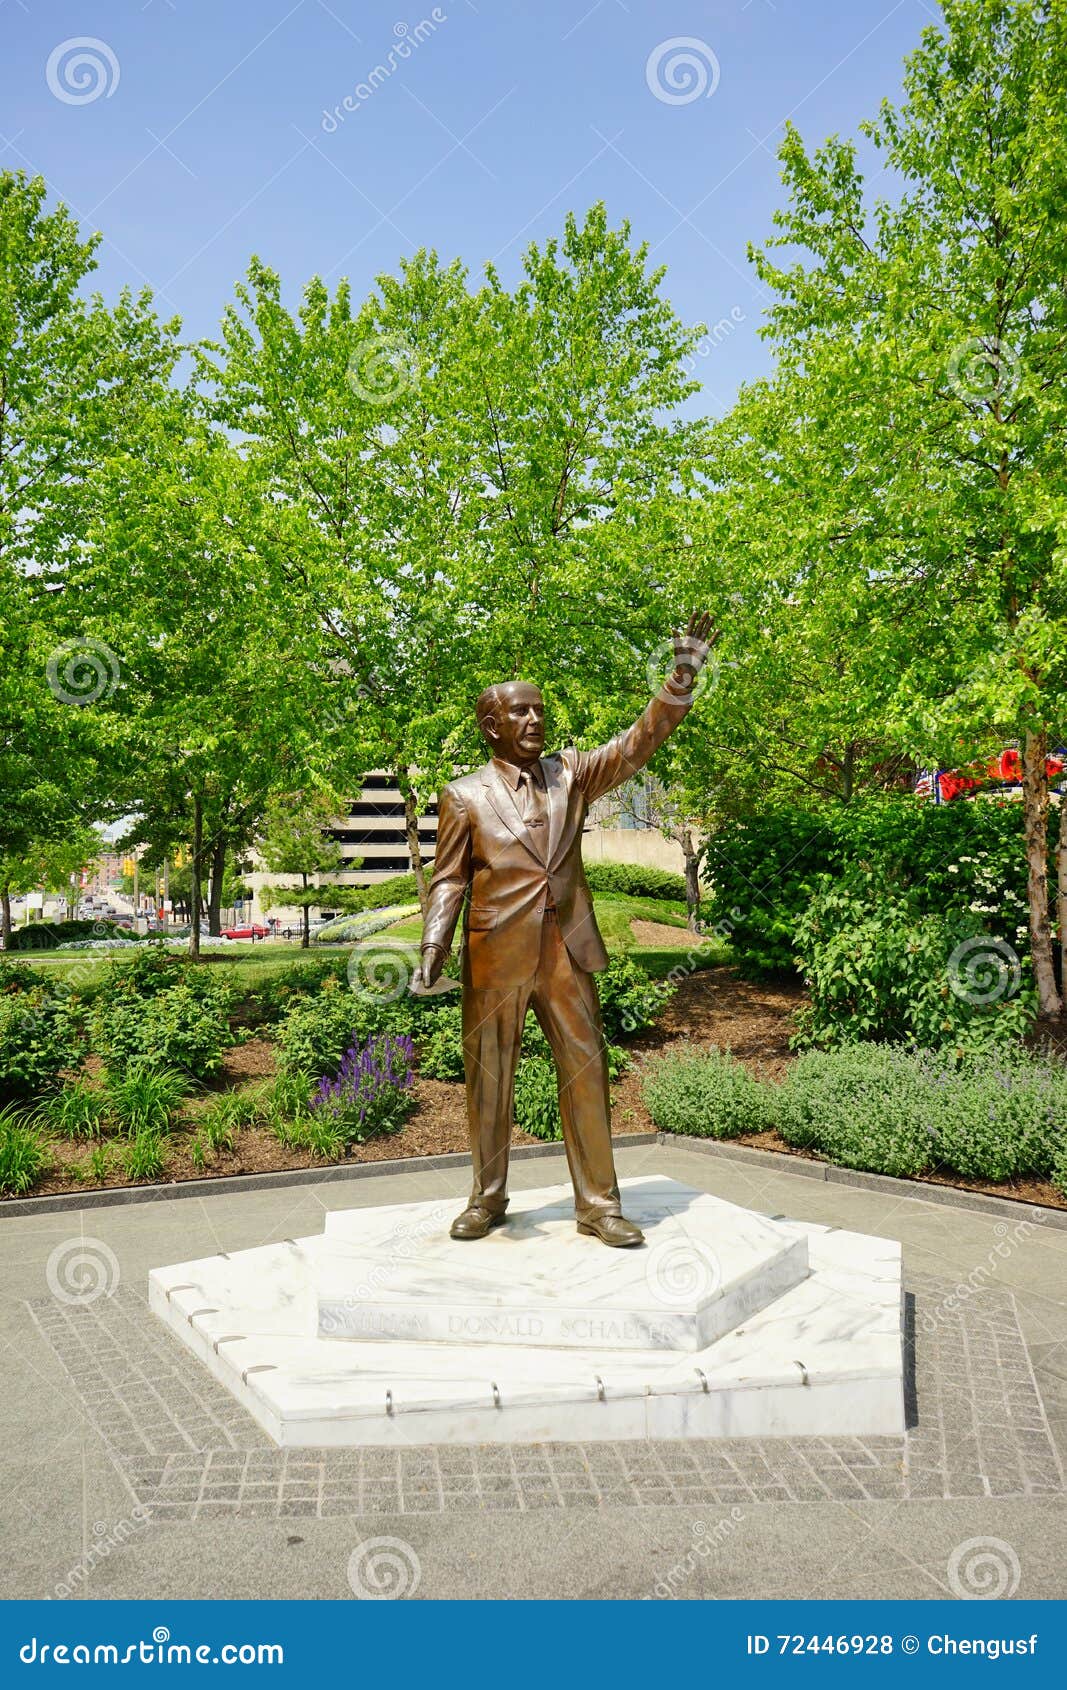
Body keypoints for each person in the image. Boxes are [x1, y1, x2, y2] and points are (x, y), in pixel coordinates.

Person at [417, 611, 718, 1247]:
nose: (535, 722)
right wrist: (433, 945)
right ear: (491, 726)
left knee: (586, 1071)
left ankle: (600, 1206)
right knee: (489, 1079)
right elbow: (448, 878)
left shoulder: (571, 774)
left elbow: (638, 743)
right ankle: (487, 1198)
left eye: (540, 712)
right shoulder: (463, 795)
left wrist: (680, 679)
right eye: (520, 714)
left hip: (567, 949)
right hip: (494, 953)